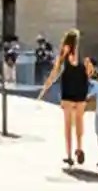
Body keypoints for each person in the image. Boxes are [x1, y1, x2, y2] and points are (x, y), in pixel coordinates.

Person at [37, 29, 94, 167]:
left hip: (68, 91)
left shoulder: (65, 53)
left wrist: (45, 88)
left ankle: (69, 155)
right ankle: (79, 148)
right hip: (81, 91)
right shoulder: (84, 56)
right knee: (79, 121)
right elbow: (90, 74)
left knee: (68, 124)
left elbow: (55, 72)